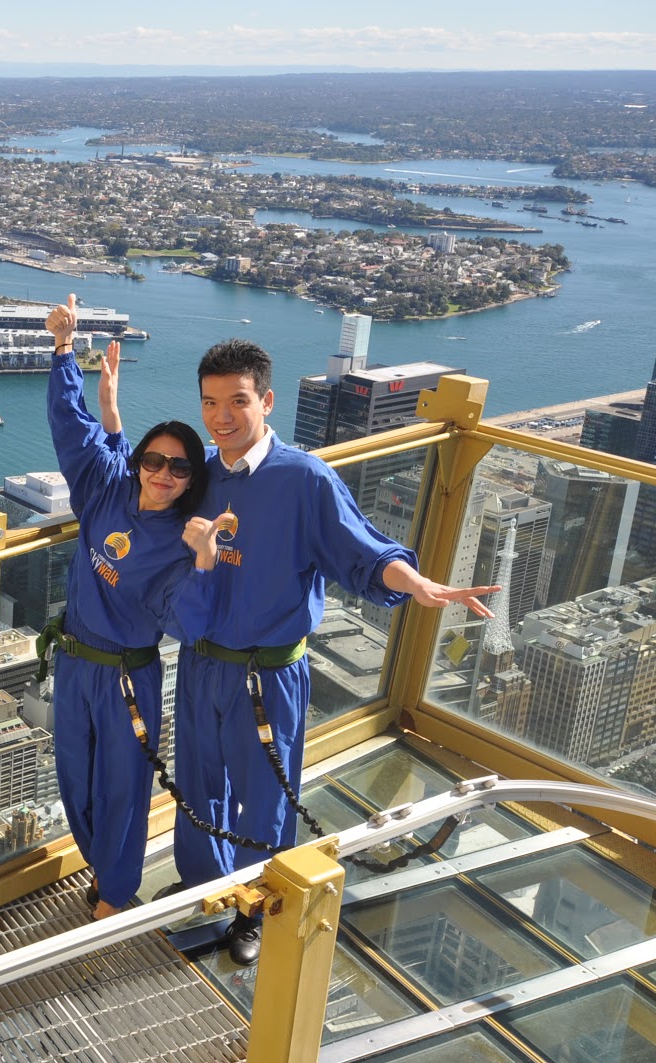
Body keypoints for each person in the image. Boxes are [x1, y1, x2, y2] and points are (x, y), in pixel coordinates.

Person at [172, 338, 500, 966]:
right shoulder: (201, 474)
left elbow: (364, 551)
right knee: (197, 785)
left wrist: (419, 583)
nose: (222, 416)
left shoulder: (304, 478)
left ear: (266, 401)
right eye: (210, 402)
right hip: (201, 663)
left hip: (267, 672)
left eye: (238, 401)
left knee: (265, 799)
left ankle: (254, 910)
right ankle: (203, 889)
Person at [42, 295, 221, 920]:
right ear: (139, 463)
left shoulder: (180, 540)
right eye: (153, 460)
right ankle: (103, 872)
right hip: (74, 662)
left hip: (128, 675)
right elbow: (72, 427)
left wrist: (204, 560)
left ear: (192, 479)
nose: (163, 473)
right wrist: (64, 349)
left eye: (179, 467)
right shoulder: (105, 488)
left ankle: (115, 894)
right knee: (74, 775)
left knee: (123, 786)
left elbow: (187, 620)